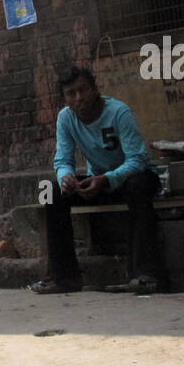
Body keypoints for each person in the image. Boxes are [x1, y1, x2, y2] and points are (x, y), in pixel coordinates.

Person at [30, 66, 162, 295]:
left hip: (133, 177)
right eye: (71, 94)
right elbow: (62, 159)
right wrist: (66, 178)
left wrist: (107, 179)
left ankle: (145, 275)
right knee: (50, 192)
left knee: (137, 186)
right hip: (98, 181)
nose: (78, 98)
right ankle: (64, 278)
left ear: (95, 89)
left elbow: (137, 160)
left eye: (83, 90)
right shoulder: (66, 118)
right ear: (65, 98)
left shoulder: (119, 112)